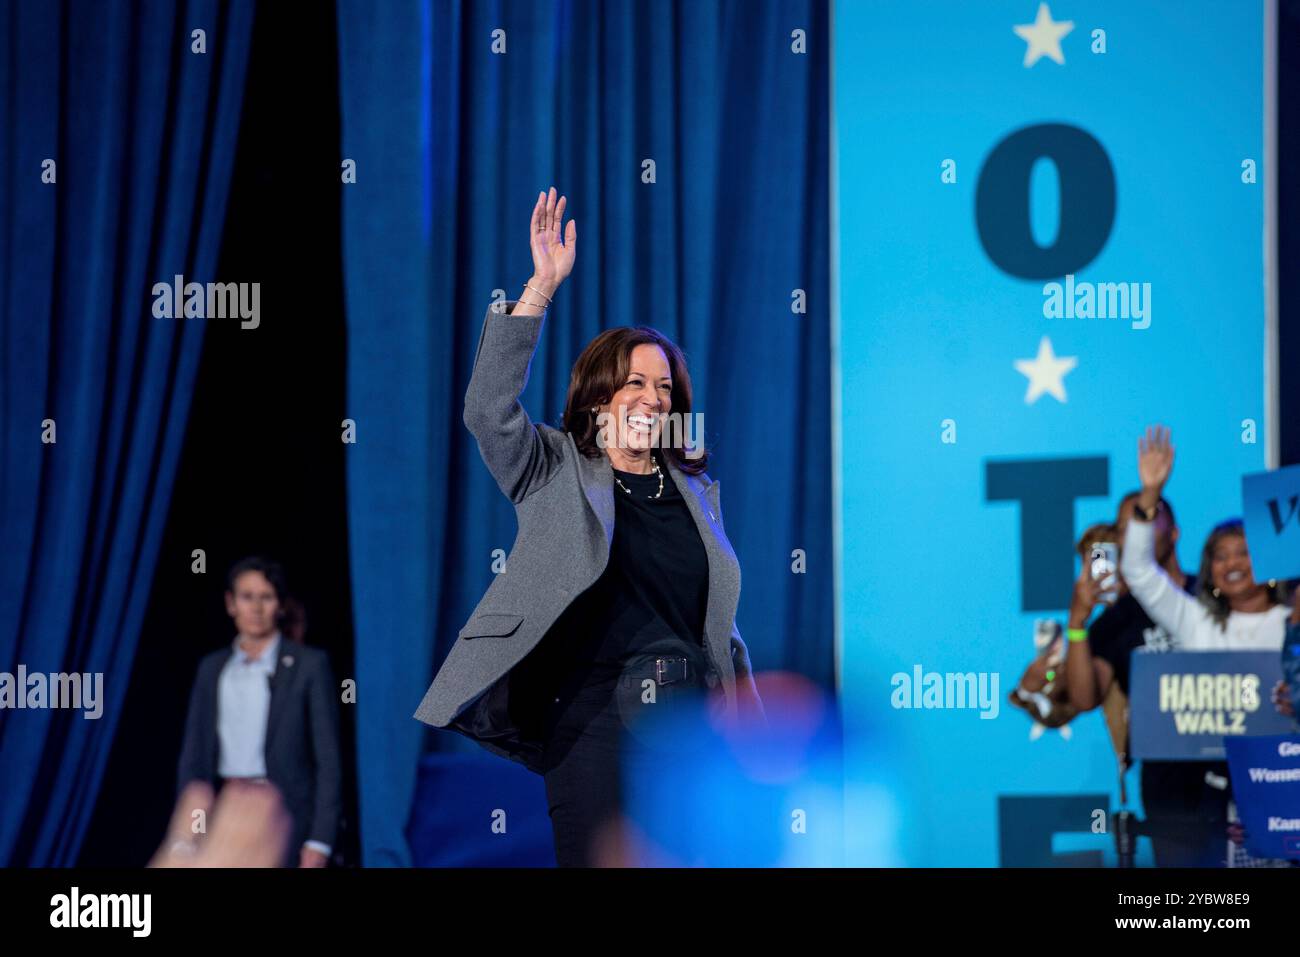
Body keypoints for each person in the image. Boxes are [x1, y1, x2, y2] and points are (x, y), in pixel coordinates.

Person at [414, 187, 765, 867]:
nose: (653, 399)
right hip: (594, 720)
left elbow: (720, 626)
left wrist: (749, 723)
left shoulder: (696, 493)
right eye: (636, 382)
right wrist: (539, 289)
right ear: (601, 391)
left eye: (664, 388)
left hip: (689, 725)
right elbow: (487, 409)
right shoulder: (553, 466)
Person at [1118, 425, 1292, 865]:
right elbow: (1138, 571)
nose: (1232, 563)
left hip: (1284, 790)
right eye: (1220, 555)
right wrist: (1149, 496)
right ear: (1209, 571)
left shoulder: (1292, 623)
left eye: (1244, 552)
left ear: (1269, 561)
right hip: (1204, 800)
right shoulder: (1194, 621)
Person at [176, 557, 342, 868]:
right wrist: (189, 830)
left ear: (279, 605)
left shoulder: (309, 665)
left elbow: (328, 761)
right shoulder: (212, 668)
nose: (256, 607)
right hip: (223, 812)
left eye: (266, 597)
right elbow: (194, 757)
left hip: (286, 814)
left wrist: (320, 840)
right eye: (247, 597)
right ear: (231, 603)